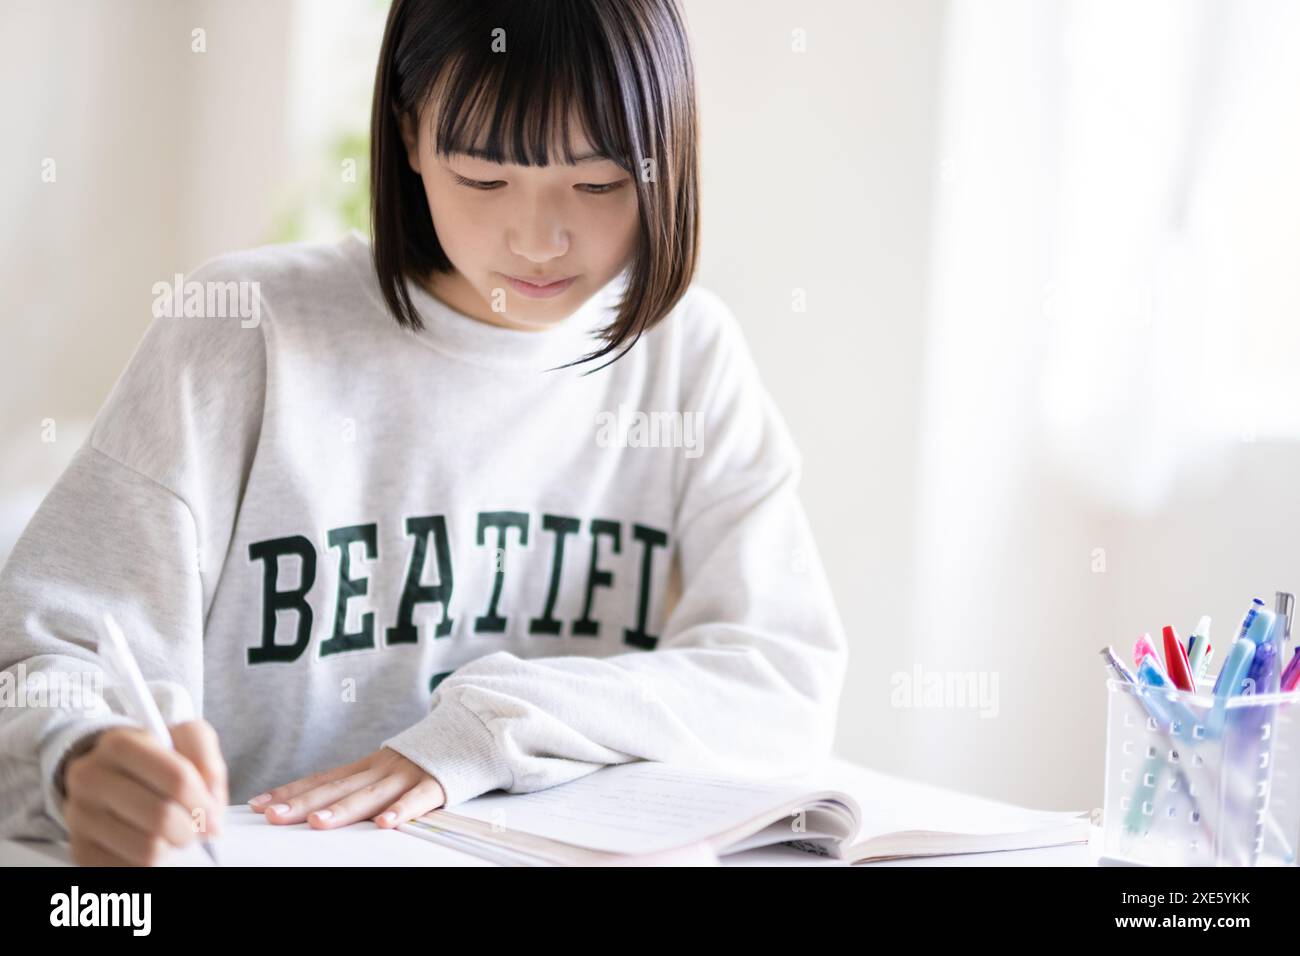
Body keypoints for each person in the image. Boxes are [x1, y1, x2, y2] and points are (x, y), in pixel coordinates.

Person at [0, 0, 848, 866]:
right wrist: (79, 754)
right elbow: (48, 649)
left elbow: (782, 681)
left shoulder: (689, 360)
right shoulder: (244, 330)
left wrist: (490, 726)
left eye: (600, 184)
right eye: (484, 178)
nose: (541, 238)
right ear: (409, 137)